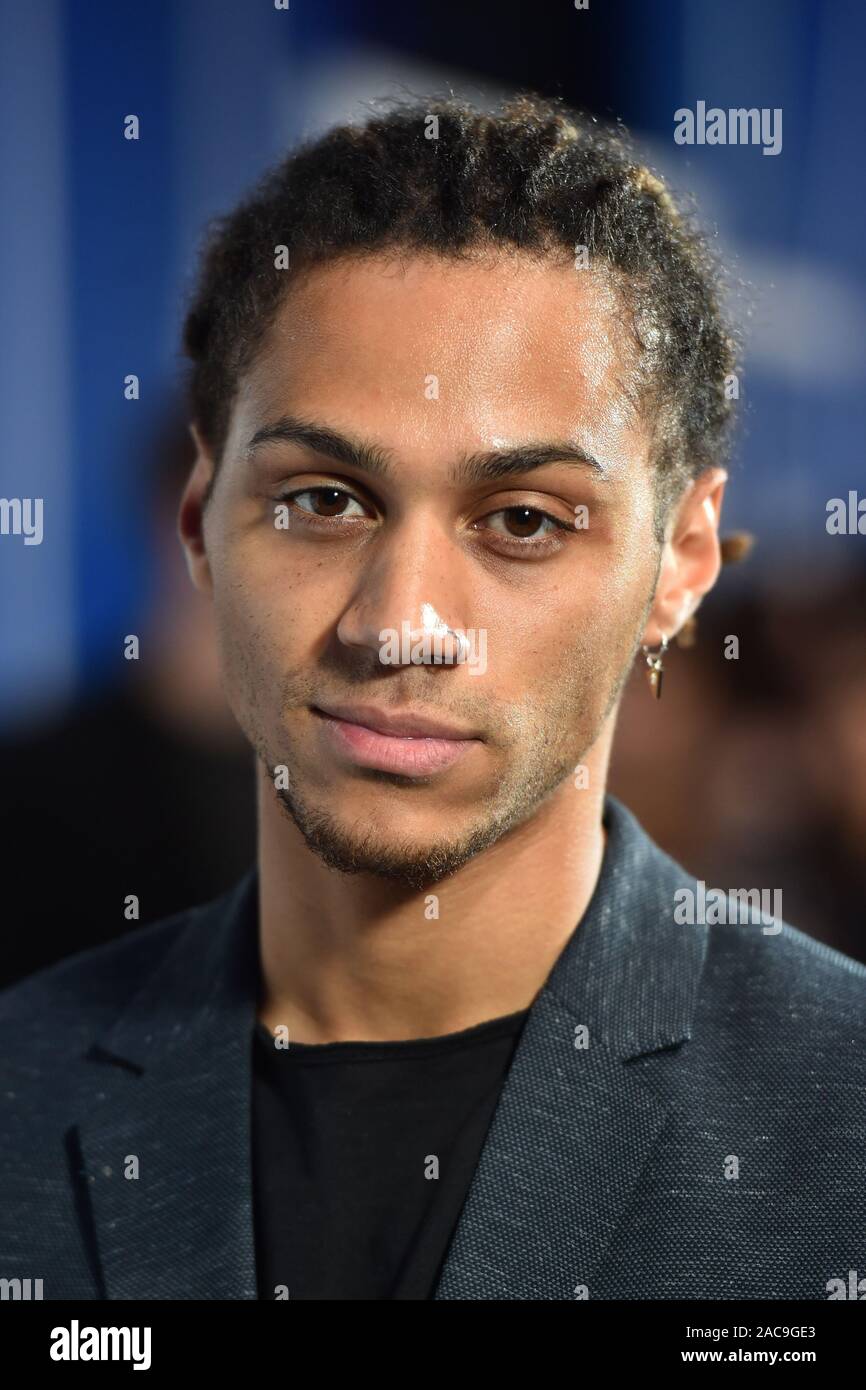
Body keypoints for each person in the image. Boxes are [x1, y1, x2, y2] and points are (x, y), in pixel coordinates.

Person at [2, 94, 863, 1302]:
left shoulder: (841, 1118)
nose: (401, 622)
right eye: (323, 499)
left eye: (521, 521)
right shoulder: (19, 1089)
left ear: (680, 563)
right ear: (199, 526)